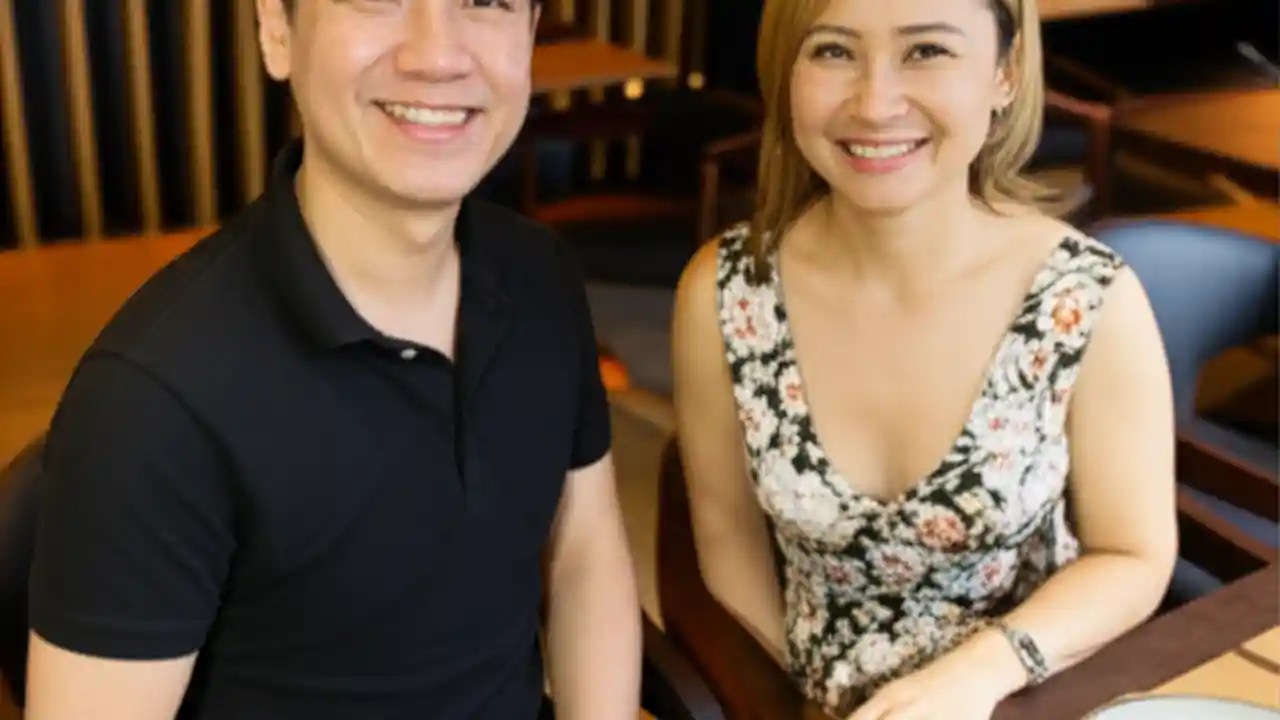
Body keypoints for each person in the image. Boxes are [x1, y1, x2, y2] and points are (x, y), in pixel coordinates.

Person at [26, 1, 641, 718]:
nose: (435, 55)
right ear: (277, 30)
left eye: (486, 1)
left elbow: (585, 555)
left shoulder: (540, 275)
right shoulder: (151, 403)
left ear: (531, 33)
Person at [671, 0, 1178, 717]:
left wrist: (976, 675)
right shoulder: (724, 291)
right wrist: (802, 699)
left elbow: (1134, 557)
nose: (875, 104)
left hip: (1036, 695)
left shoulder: (1089, 297)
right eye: (834, 52)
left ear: (1005, 75)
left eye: (927, 52)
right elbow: (727, 540)